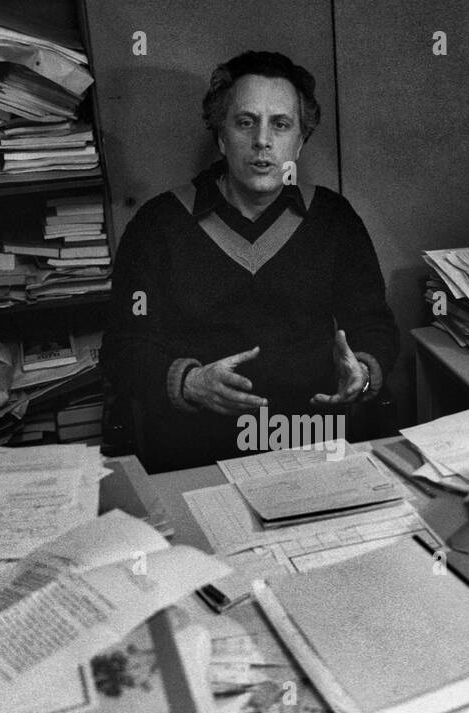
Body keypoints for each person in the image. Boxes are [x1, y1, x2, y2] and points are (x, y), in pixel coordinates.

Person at [101, 50, 399, 471]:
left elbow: (373, 325)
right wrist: (188, 382)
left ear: (299, 140)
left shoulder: (332, 219)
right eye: (245, 122)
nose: (263, 141)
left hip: (310, 444)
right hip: (197, 452)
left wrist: (363, 372)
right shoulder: (159, 224)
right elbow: (123, 347)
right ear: (222, 137)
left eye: (281, 124)